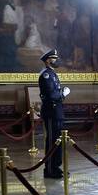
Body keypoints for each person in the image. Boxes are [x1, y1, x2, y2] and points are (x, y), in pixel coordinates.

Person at [39, 48, 66, 179]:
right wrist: (62, 94)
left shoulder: (53, 74)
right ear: (48, 60)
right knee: (52, 141)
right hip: (51, 112)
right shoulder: (46, 75)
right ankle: (49, 170)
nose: (56, 60)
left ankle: (56, 167)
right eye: (54, 58)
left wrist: (61, 94)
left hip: (57, 112)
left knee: (58, 141)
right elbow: (51, 94)